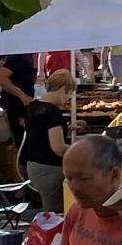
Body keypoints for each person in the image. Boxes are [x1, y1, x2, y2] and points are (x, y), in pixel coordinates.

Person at [19, 68, 76, 212]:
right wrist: (80, 150)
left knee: (51, 210)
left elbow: (40, 131)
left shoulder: (33, 106)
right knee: (54, 213)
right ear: (62, 89)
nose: (67, 99)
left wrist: (67, 128)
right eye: (68, 94)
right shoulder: (52, 112)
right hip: (49, 169)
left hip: (33, 166)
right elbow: (58, 147)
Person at [0, 50, 38, 181]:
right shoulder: (19, 55)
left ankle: (25, 183)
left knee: (24, 146)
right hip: (16, 107)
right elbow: (0, 78)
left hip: (22, 106)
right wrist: (21, 95)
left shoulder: (26, 55)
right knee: (21, 147)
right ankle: (22, 186)